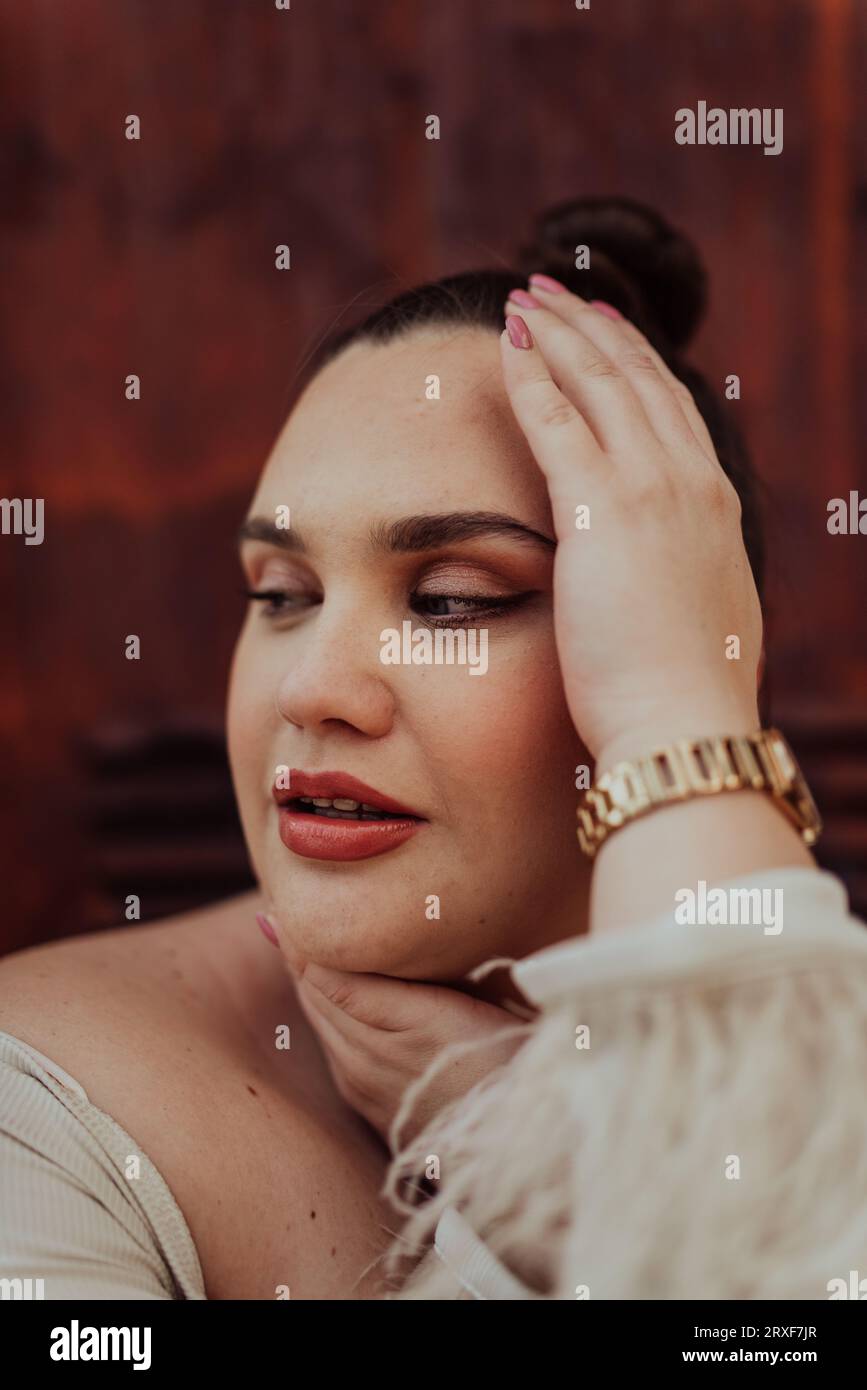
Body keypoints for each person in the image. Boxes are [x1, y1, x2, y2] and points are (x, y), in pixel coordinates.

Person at [2, 197, 864, 1301]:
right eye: (282, 595)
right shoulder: (36, 1115)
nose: (314, 688)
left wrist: (552, 1157)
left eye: (453, 600)